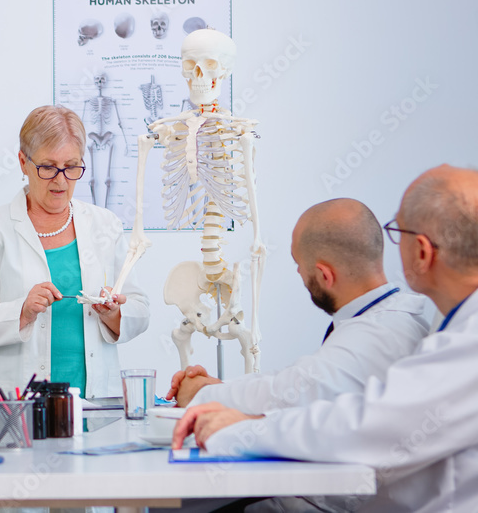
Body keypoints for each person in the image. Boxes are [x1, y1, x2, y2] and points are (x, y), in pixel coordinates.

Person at [173, 165, 478, 513]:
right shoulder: (443, 321)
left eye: (398, 232)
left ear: (422, 253)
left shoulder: (464, 339)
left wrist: (239, 424)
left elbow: (369, 423)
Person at [0, 105, 149, 397]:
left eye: (71, 166)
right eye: (48, 167)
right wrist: (21, 312)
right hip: (16, 409)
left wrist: (114, 313)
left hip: (94, 403)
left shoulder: (104, 225)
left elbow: (141, 310)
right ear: (23, 162)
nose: (61, 180)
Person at [166, 198, 430, 413]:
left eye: (298, 264)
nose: (298, 274)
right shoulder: (387, 320)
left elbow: (295, 390)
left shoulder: (372, 336)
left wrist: (203, 394)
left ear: (325, 275)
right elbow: (296, 381)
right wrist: (218, 387)